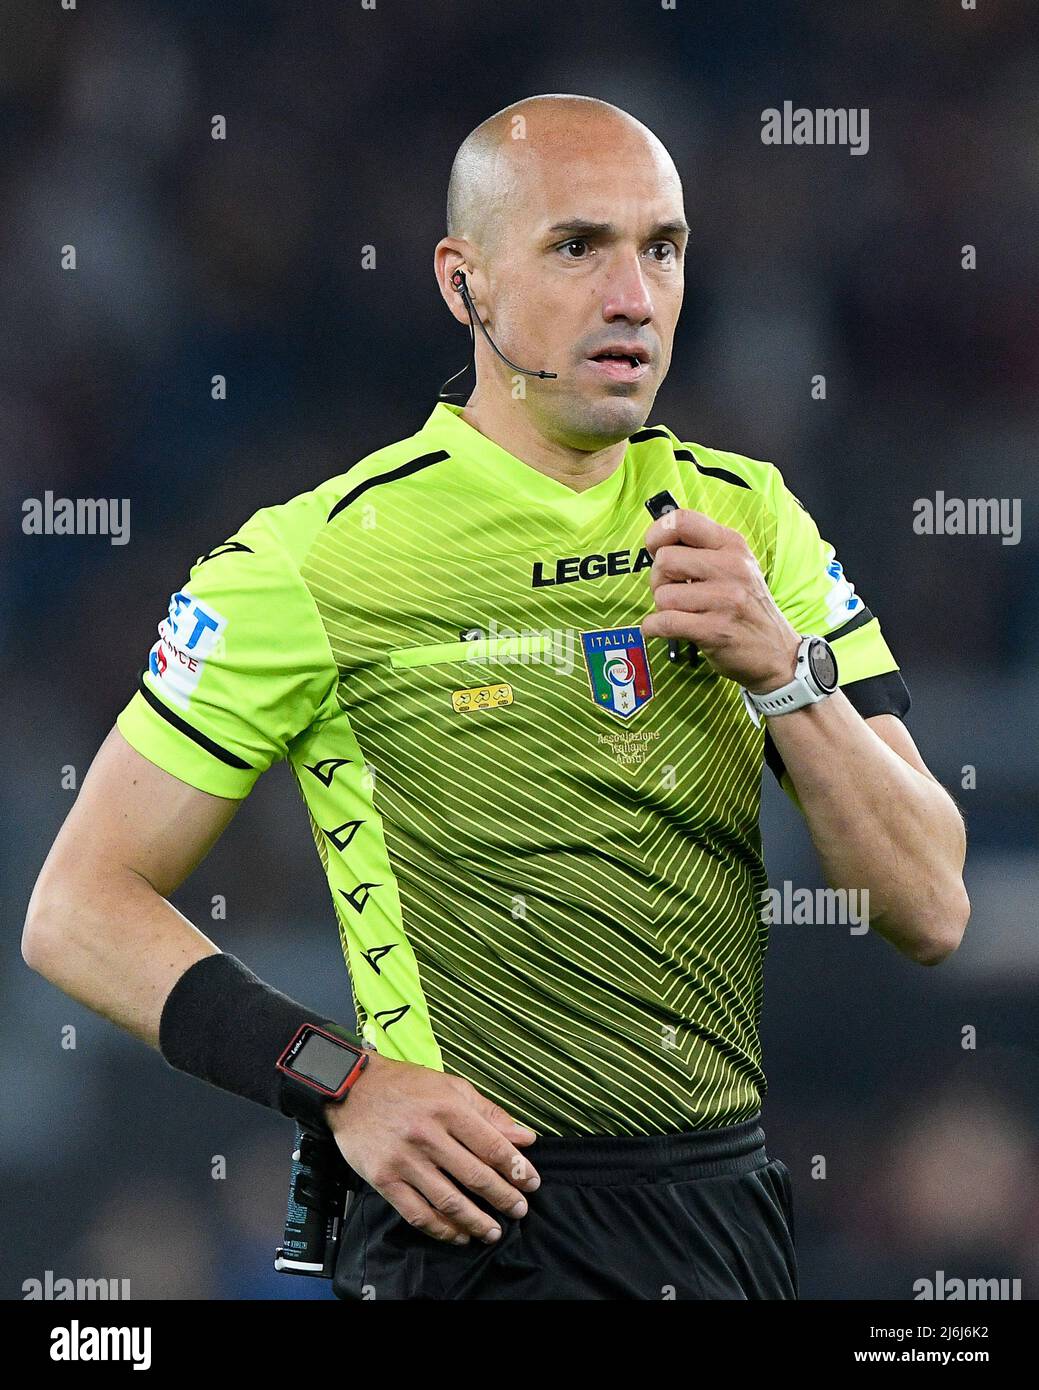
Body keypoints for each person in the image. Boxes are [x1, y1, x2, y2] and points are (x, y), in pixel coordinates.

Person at [22, 94, 969, 1301]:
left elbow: (930, 906)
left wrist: (786, 673)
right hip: (475, 1227)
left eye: (661, 248)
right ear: (461, 281)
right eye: (578, 247)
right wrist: (339, 1081)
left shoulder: (750, 520)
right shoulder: (313, 557)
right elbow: (75, 905)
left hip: (726, 1223)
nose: (633, 295)